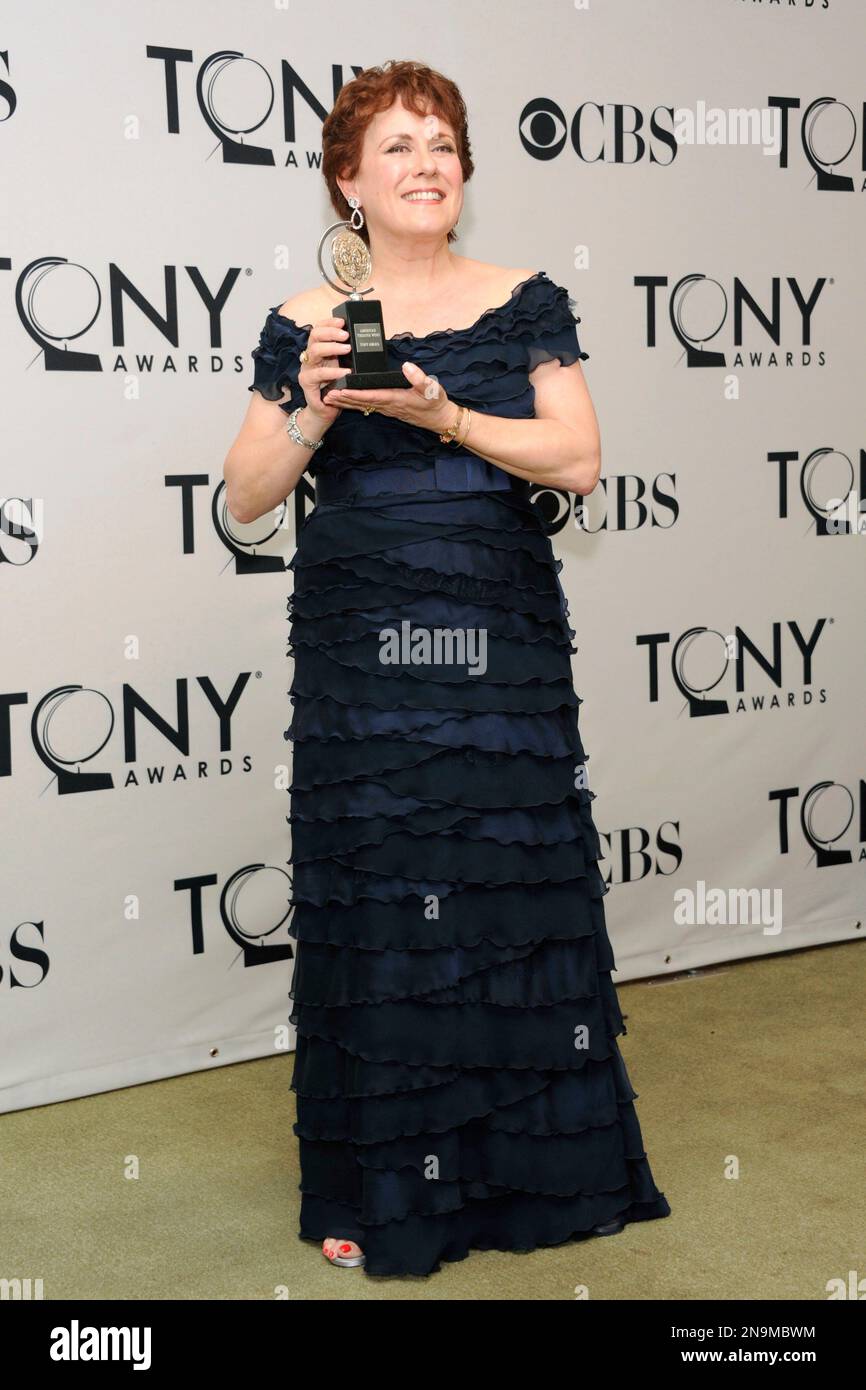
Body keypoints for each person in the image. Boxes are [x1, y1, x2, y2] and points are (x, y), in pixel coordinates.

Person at [223, 58, 671, 1278]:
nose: (427, 165)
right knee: (385, 895)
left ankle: (537, 1172)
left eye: (444, 145)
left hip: (498, 642)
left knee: (505, 888)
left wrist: (447, 420)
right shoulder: (303, 323)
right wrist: (313, 408)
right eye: (399, 148)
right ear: (347, 181)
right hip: (362, 647)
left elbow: (575, 460)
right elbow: (246, 499)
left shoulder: (522, 299)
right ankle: (382, 1181)